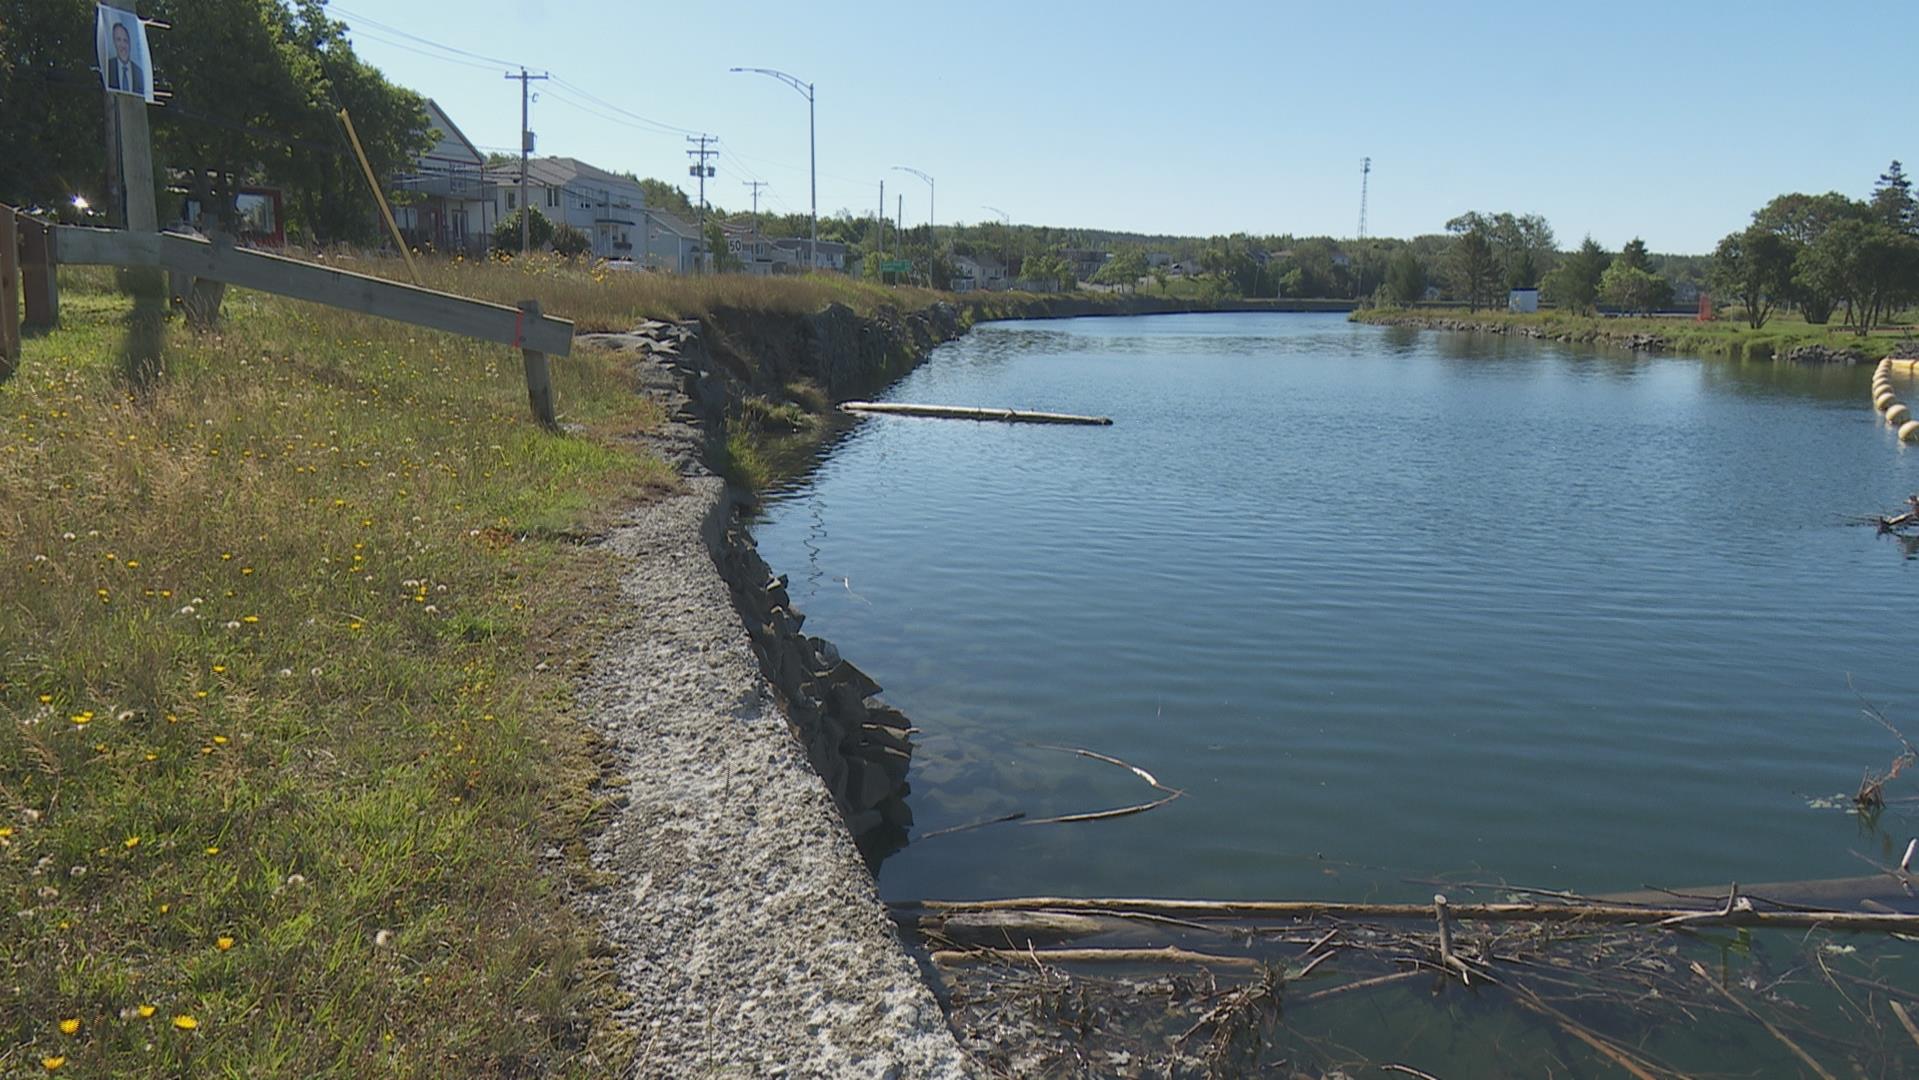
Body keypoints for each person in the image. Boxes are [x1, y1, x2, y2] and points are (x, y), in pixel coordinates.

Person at [105, 20, 144, 97]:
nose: (123, 45)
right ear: (114, 42)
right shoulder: (108, 68)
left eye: (125, 40)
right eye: (118, 40)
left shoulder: (139, 72)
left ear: (130, 43)